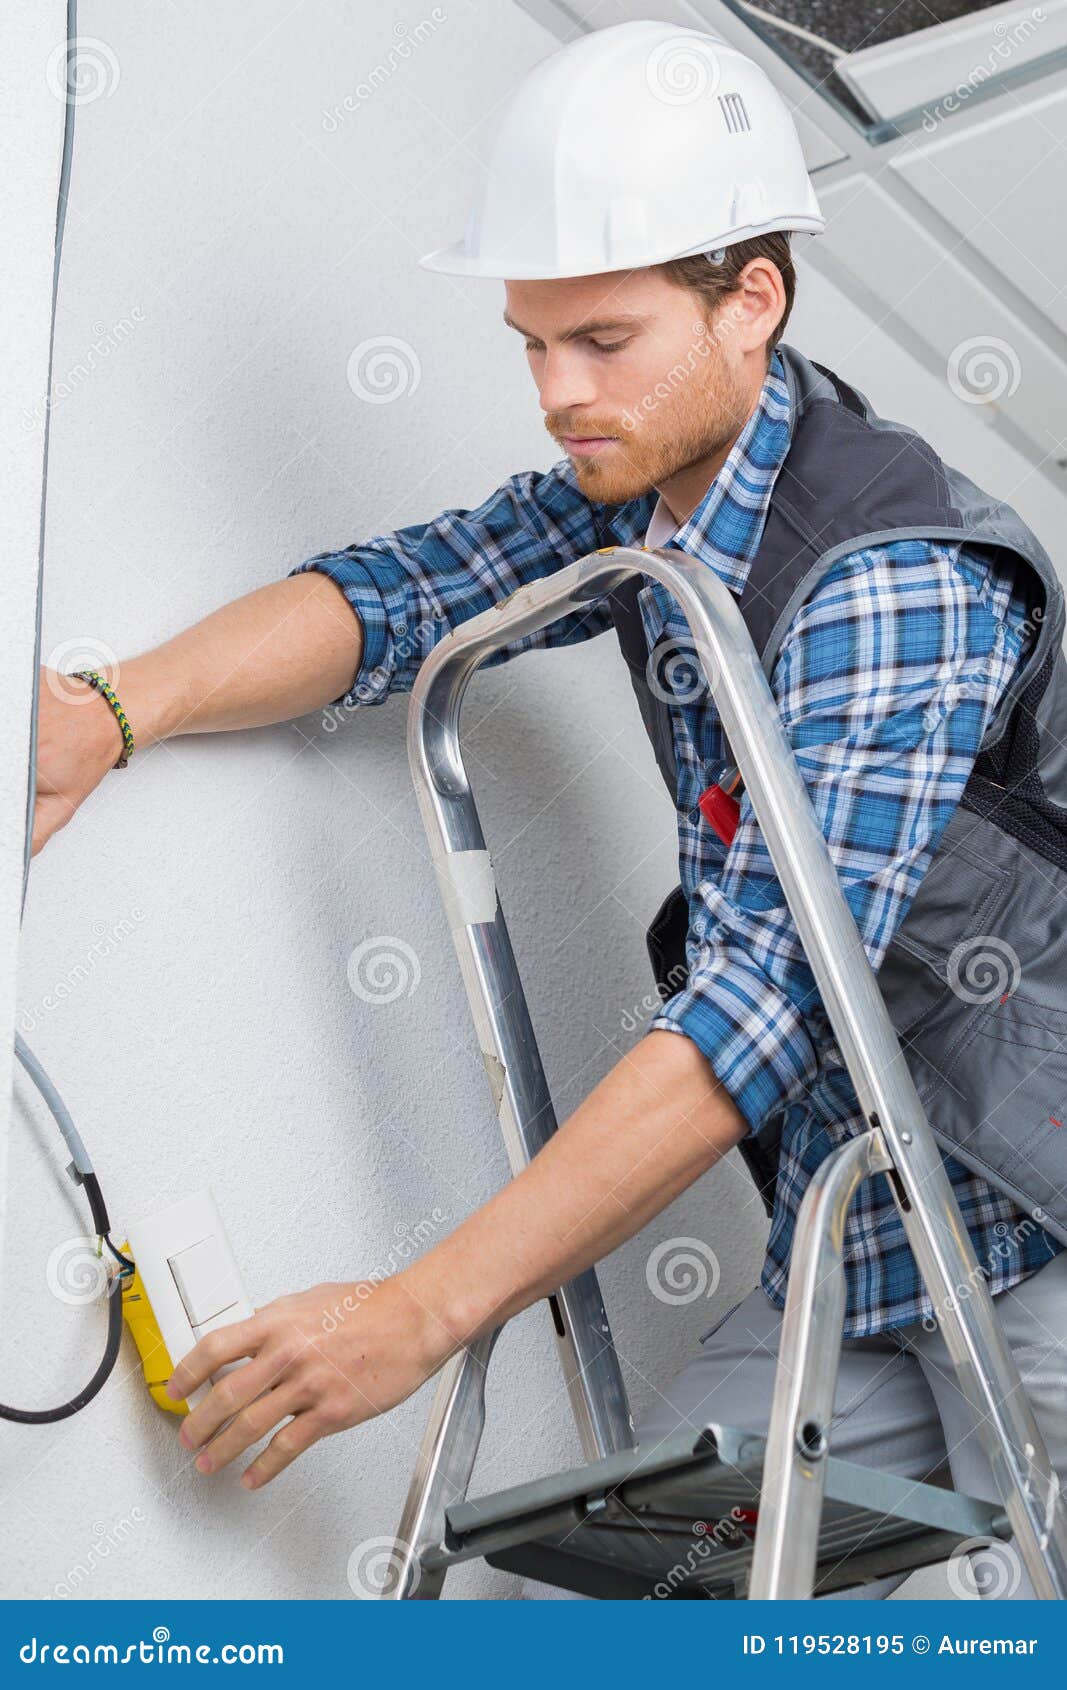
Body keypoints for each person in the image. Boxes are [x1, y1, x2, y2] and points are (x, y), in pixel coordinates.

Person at [32, 21, 1067, 1599]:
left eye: (601, 339)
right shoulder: (652, 501)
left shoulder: (892, 580)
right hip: (864, 1261)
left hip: (1040, 1234)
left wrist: (419, 1311)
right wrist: (113, 711)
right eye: (531, 343)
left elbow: (766, 1007)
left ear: (755, 303)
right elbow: (405, 595)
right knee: (594, 1613)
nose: (555, 393)